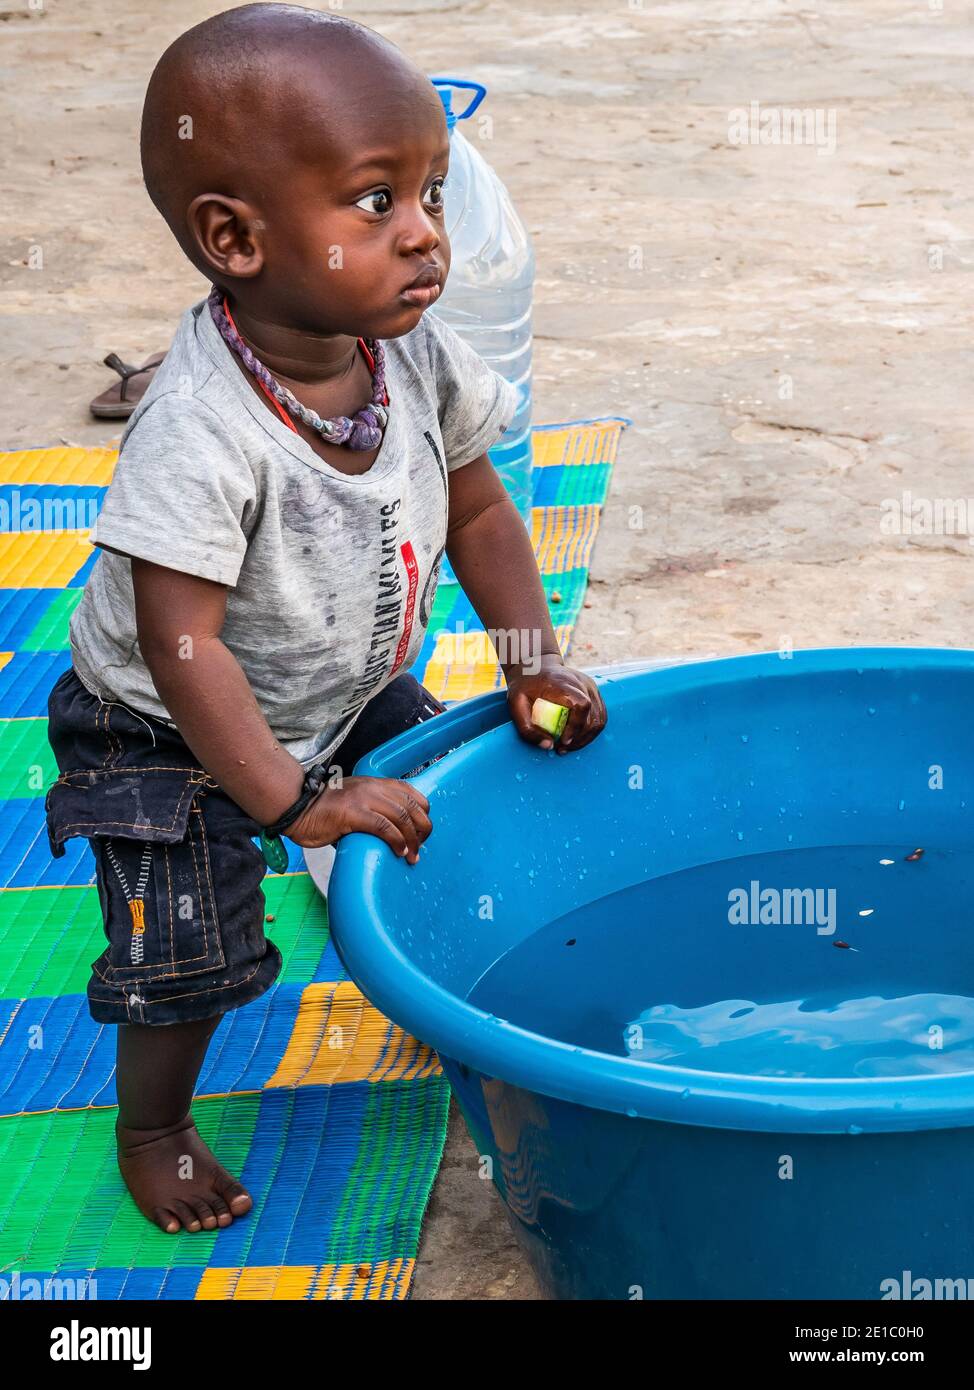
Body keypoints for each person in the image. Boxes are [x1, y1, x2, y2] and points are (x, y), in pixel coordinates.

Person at [44, 3, 607, 1236]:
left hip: (336, 688)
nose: (424, 239)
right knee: (185, 956)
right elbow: (182, 643)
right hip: (167, 732)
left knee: (461, 798)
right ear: (233, 237)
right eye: (374, 203)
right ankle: (153, 1124)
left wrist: (531, 659)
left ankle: (430, 975)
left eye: (432, 195)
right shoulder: (199, 430)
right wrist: (292, 805)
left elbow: (478, 507)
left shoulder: (406, 354)